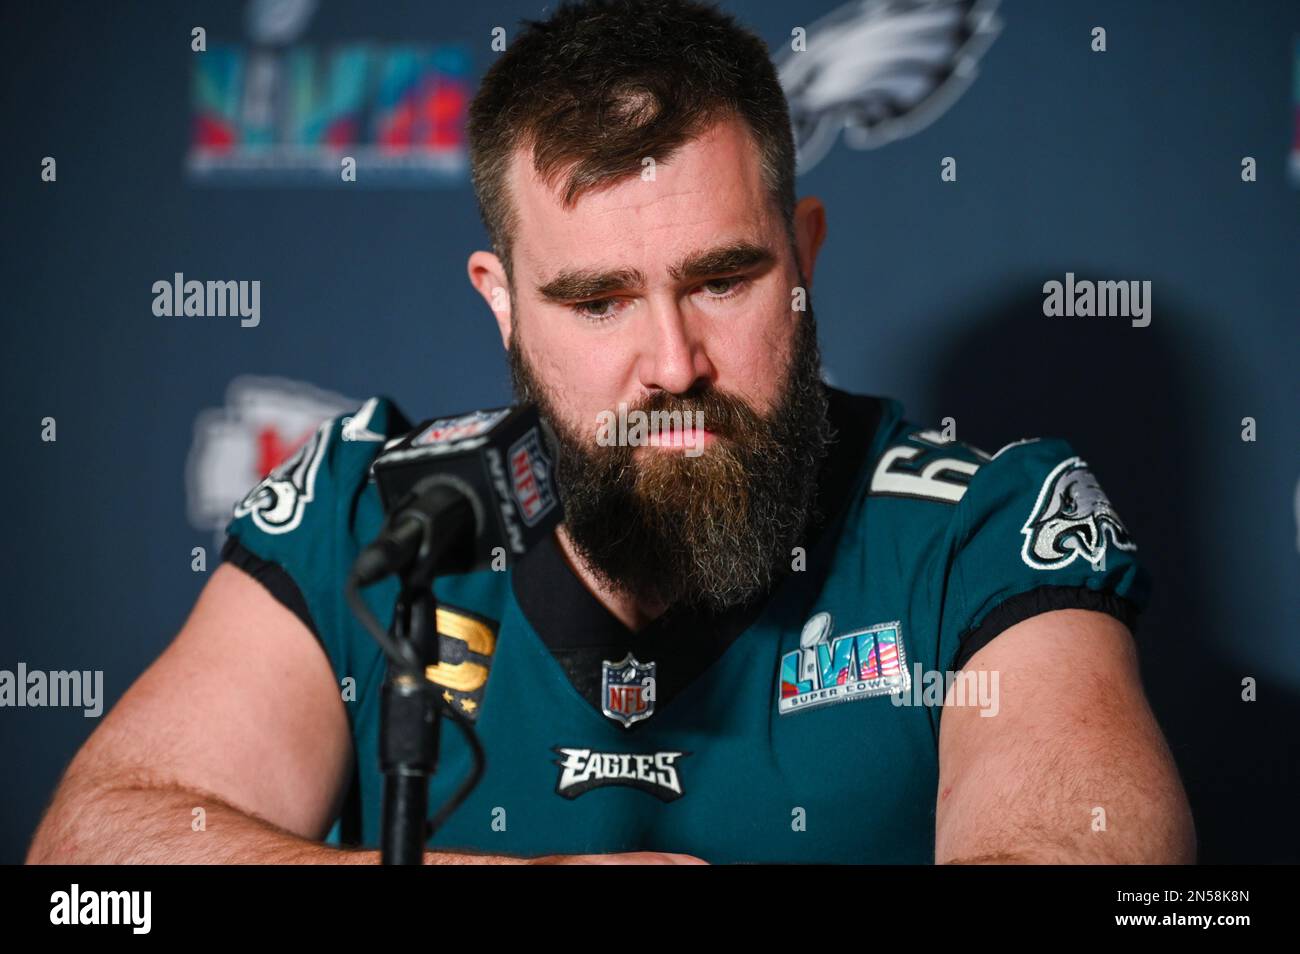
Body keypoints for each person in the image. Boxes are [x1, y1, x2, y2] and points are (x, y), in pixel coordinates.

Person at [28, 0, 1194, 865]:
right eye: (598, 302)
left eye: (724, 280)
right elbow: (92, 863)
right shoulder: (374, 511)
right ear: (500, 298)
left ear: (805, 255)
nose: (674, 363)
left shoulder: (978, 535)